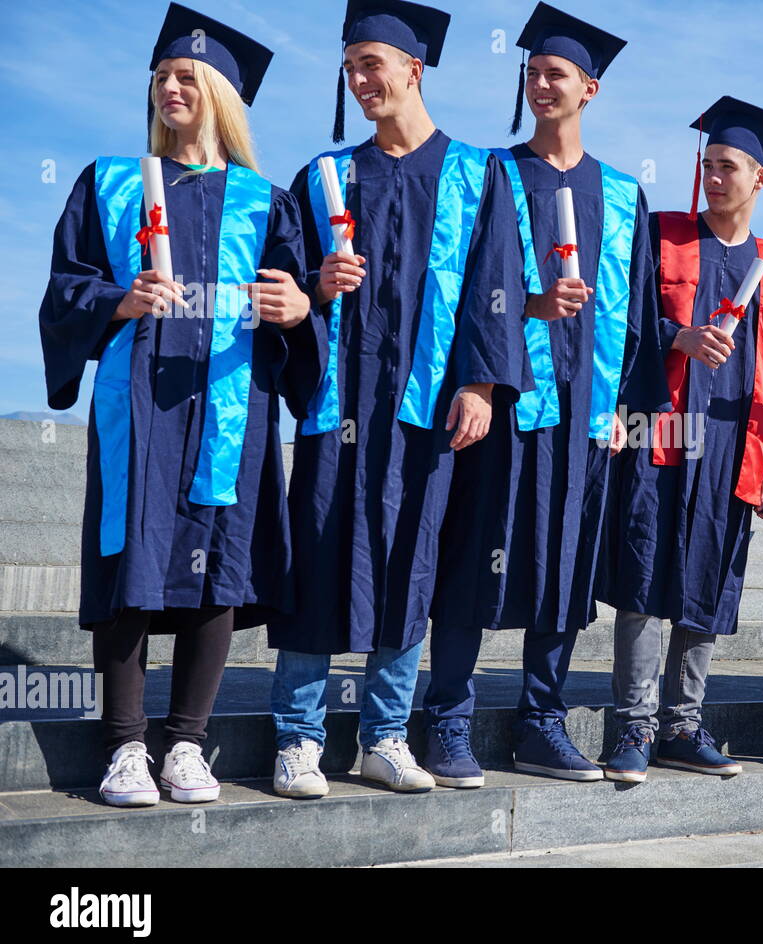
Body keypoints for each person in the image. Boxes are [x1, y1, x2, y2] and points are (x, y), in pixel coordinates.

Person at [39, 4, 323, 807]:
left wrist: (297, 310)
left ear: (224, 96)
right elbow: (66, 288)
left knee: (220, 562)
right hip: (141, 407)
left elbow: (298, 301)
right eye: (162, 75)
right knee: (130, 555)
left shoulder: (267, 203)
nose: (170, 86)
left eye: (187, 77)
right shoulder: (111, 182)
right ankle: (126, 746)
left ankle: (186, 744)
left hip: (232, 404)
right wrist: (119, 301)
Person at [266, 0, 528, 798]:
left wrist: (483, 381)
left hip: (424, 409)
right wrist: (314, 287)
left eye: (372, 62)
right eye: (350, 66)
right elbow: (283, 292)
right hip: (335, 406)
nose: (359, 77)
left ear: (415, 69)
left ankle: (384, 733)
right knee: (316, 549)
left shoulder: (478, 174)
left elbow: (497, 279)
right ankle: (299, 737)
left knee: (413, 556)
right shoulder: (321, 176)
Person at [423, 3, 667, 786]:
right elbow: (458, 285)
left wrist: (630, 409)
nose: (540, 83)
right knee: (472, 555)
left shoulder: (625, 195)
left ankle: (540, 719)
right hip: (506, 403)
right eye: (532, 72)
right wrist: (511, 328)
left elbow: (646, 321)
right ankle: (447, 717)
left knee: (563, 567)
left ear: (589, 89)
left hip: (587, 417)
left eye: (556, 73)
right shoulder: (492, 172)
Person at [598, 97, 763, 782]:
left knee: (709, 585)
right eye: (707, 164)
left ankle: (683, 724)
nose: (715, 177)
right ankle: (632, 724)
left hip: (729, 452)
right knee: (645, 575)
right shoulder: (662, 234)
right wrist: (676, 337)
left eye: (729, 167)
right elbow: (619, 324)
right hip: (661, 436)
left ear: (760, 179)